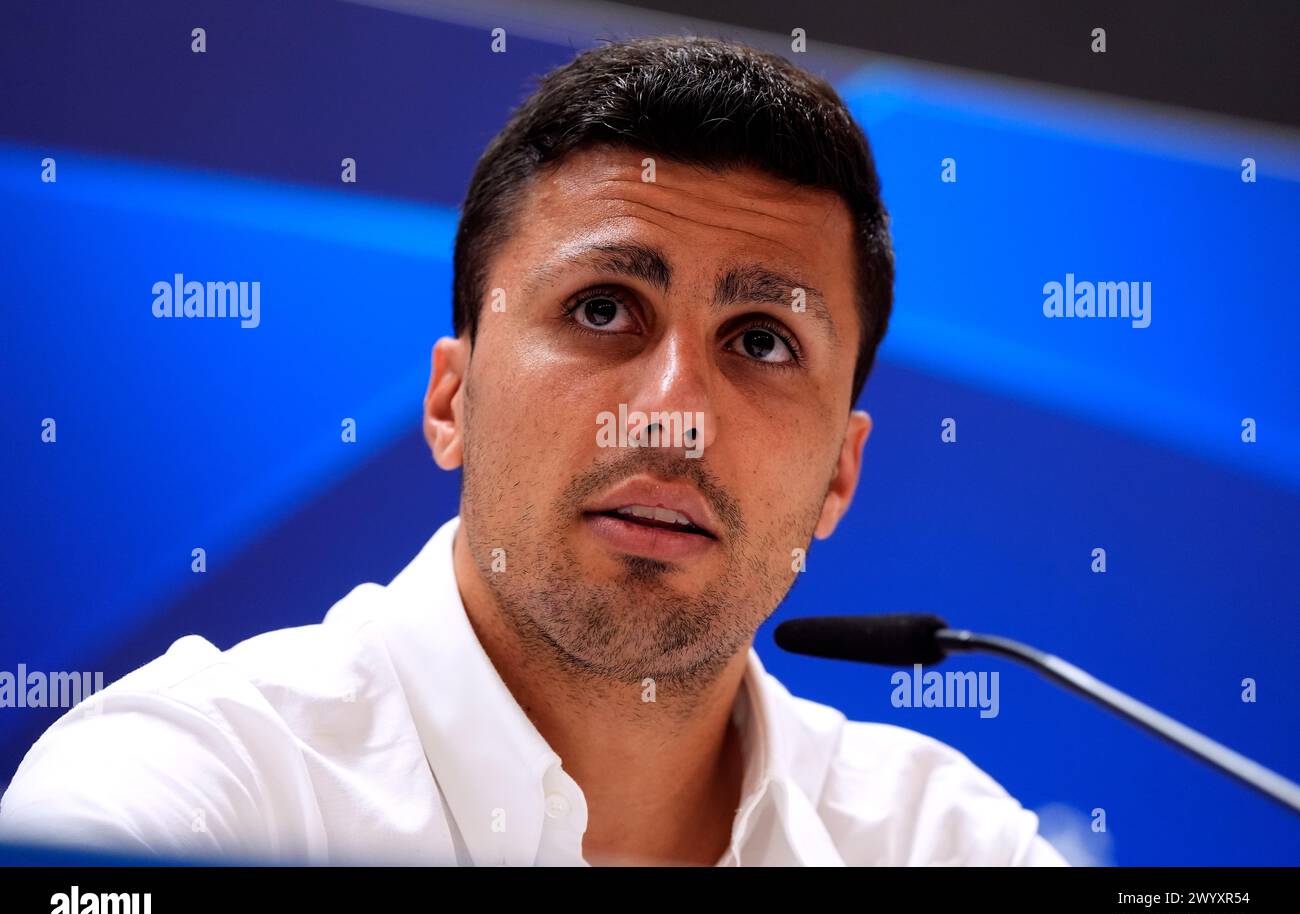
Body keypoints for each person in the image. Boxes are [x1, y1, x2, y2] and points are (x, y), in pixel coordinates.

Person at [0, 36, 1066, 867]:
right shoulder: (190, 789)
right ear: (453, 399)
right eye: (604, 307)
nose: (670, 414)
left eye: (760, 339)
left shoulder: (947, 840)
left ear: (839, 471)